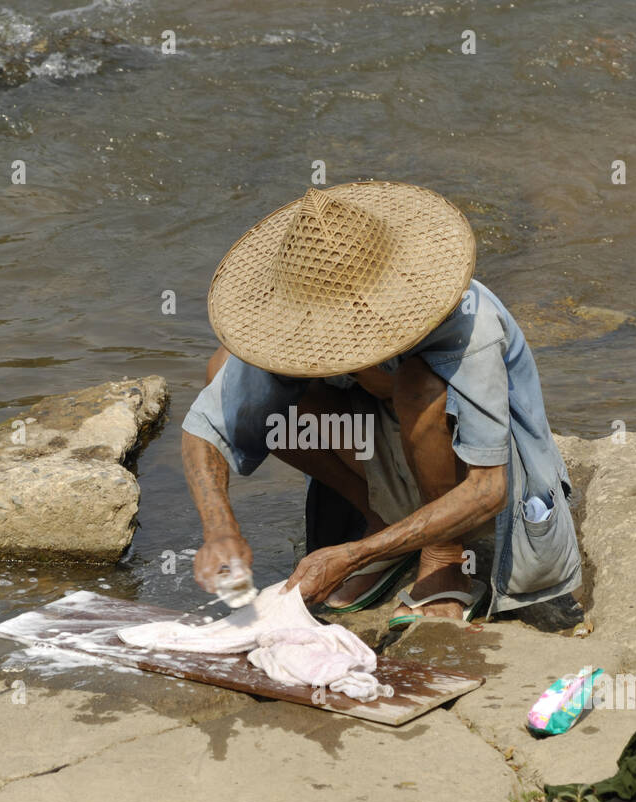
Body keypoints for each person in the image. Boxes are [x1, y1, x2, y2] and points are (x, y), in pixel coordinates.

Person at [182, 181, 582, 630]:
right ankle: (378, 516)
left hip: (481, 470)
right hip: (386, 446)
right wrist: (220, 530)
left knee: (418, 385)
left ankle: (445, 554)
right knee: (226, 369)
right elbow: (206, 427)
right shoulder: (298, 319)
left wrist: (352, 556)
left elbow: (490, 488)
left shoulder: (467, 319)